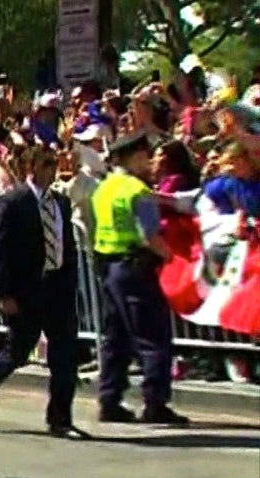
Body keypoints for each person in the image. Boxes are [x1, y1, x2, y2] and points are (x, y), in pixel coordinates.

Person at [0, 147, 89, 439]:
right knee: (19, 349)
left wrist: (70, 279)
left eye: (54, 163)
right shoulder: (13, 202)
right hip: (26, 290)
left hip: (58, 288)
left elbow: (66, 244)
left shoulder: (60, 202)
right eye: (46, 164)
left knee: (65, 355)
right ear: (30, 167)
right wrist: (3, 293)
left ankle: (60, 419)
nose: (52, 169)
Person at [90, 130, 189, 425]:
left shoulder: (103, 188)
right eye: (145, 156)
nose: (148, 162)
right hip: (135, 267)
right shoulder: (136, 190)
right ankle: (155, 403)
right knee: (153, 337)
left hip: (108, 268)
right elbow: (149, 236)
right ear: (132, 158)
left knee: (116, 338)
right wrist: (170, 256)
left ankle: (109, 400)